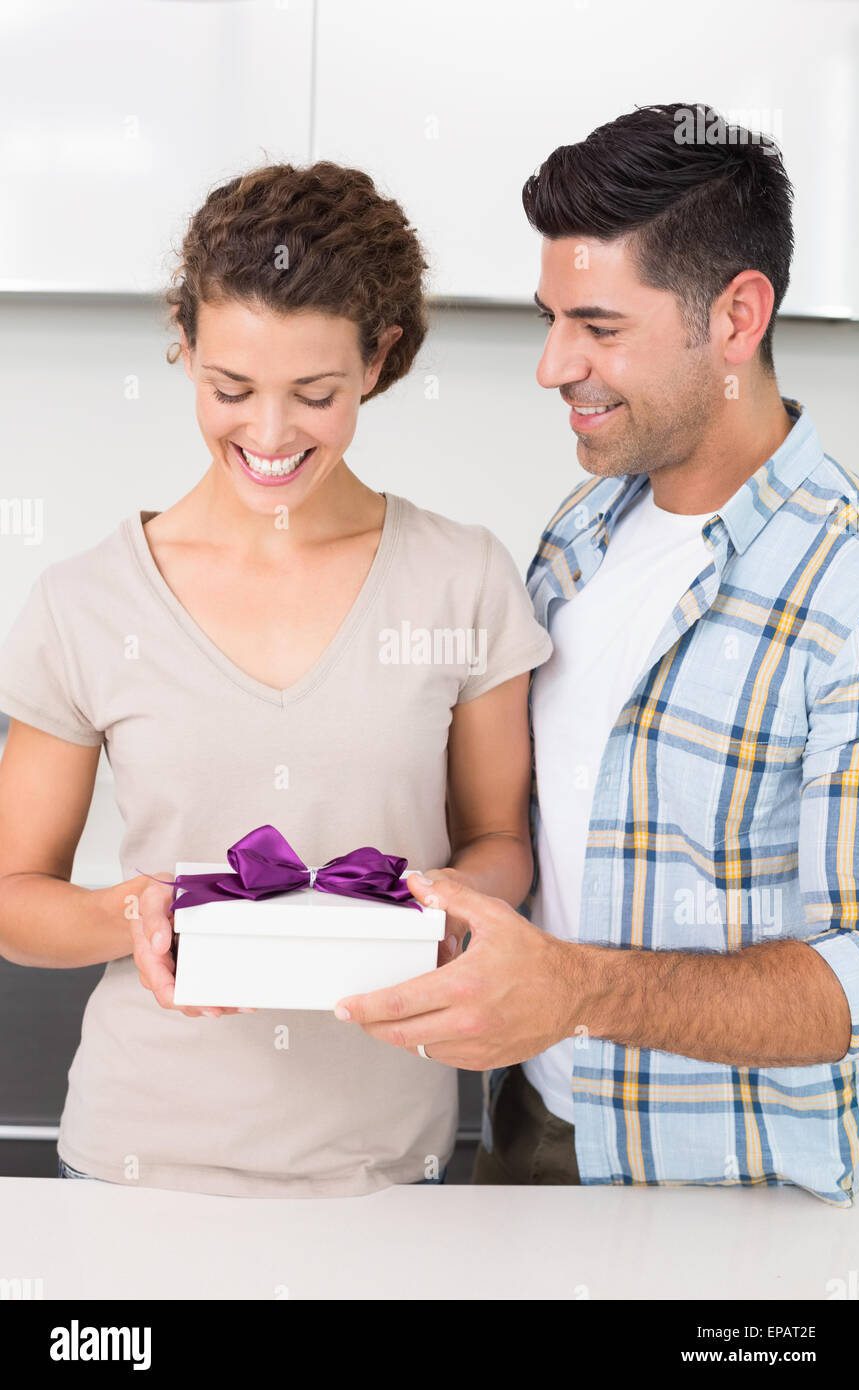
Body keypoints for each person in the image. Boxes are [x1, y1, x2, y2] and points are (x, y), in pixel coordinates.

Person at [336, 103, 859, 1208]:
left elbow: (855, 980)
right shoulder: (578, 535)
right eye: (549, 319)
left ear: (735, 317)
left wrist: (575, 989)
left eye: (597, 325)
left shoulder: (845, 592)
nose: (550, 365)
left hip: (726, 1187)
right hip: (529, 1134)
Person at [0, 161, 552, 1197]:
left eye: (314, 395)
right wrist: (136, 913)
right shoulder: (86, 602)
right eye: (229, 389)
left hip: (391, 1169)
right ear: (184, 339)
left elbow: (499, 845)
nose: (266, 434)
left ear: (379, 361)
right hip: (136, 1162)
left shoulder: (461, 579)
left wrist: (436, 903)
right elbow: (11, 895)